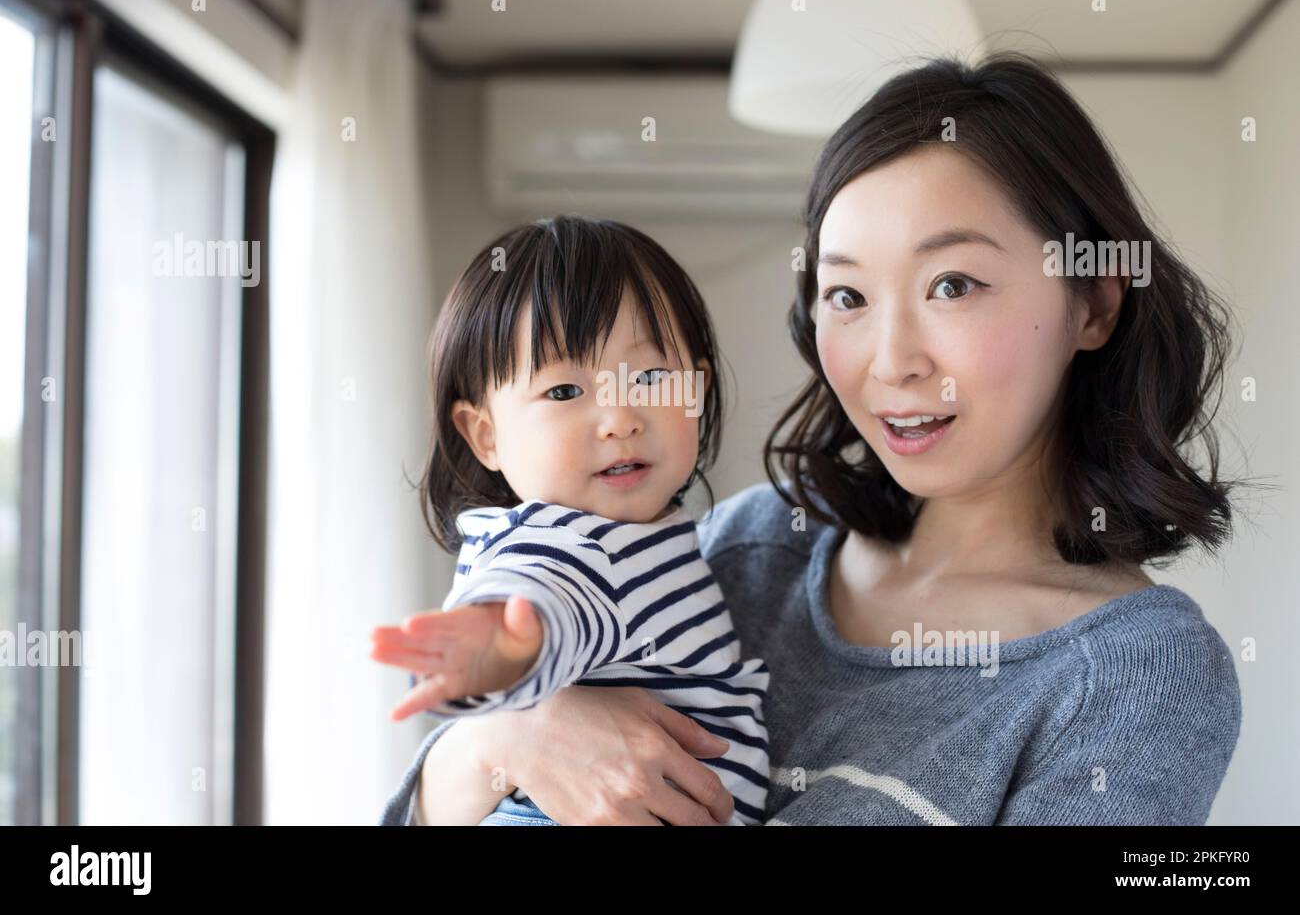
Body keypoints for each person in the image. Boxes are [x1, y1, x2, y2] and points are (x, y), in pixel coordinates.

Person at [381, 52, 1245, 826]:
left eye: (952, 284)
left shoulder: (1136, 675)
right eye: (847, 296)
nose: (891, 360)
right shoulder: (750, 550)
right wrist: (512, 740)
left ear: (1090, 303)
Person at [370, 215, 769, 824]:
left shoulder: (646, 539)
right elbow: (544, 597)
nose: (619, 417)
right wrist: (502, 644)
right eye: (563, 392)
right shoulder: (579, 543)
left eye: (652, 377)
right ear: (486, 436)